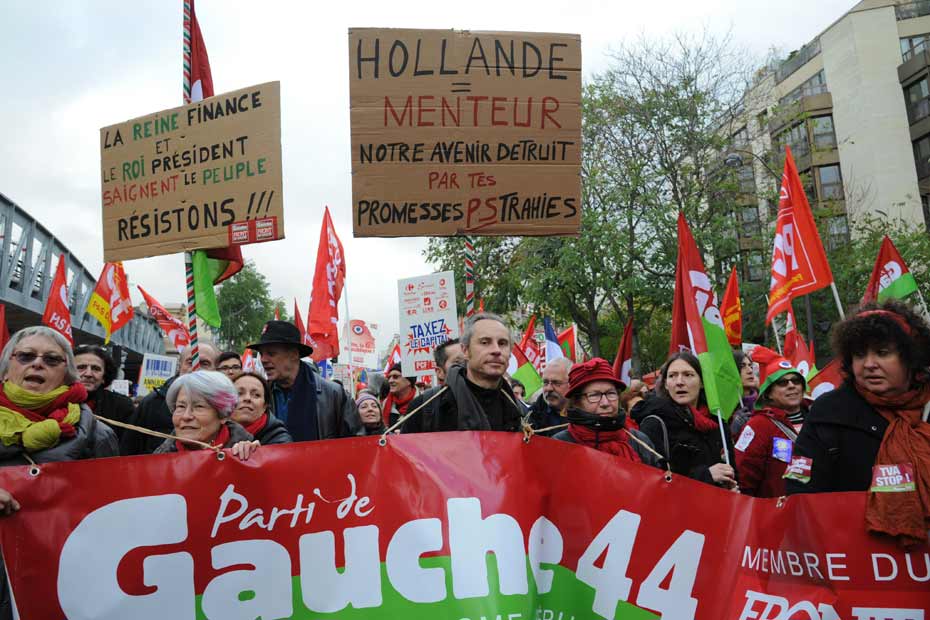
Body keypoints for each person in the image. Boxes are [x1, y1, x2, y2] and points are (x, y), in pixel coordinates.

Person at [787, 301, 930, 548]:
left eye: (883, 353)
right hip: (858, 564)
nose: (869, 364)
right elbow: (800, 494)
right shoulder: (829, 412)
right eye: (860, 354)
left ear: (911, 358)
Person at [0, 328, 120, 618]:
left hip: (58, 582)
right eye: (26, 356)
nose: (37, 364)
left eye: (52, 360)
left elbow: (112, 515)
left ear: (67, 376)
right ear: (6, 370)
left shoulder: (97, 435)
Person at [402, 313, 524, 433]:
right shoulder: (426, 408)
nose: (496, 350)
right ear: (465, 350)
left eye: (502, 343)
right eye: (485, 342)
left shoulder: (521, 412)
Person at [248, 321, 362, 441]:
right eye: (261, 354)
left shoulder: (333, 394)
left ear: (294, 354)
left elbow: (355, 444)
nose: (263, 359)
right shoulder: (261, 395)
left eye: (271, 353)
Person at [638, 352, 738, 489]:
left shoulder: (718, 424)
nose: (679, 382)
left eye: (688, 375)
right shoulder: (655, 423)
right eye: (672, 376)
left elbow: (732, 471)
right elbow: (652, 482)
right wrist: (706, 475)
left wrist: (733, 490)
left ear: (702, 382)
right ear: (666, 384)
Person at [552, 359, 661, 466]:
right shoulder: (559, 445)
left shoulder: (639, 441)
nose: (605, 403)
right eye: (594, 395)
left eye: (611, 393)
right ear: (576, 402)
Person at [119, 341, 218, 455]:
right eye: (190, 362)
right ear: (180, 366)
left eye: (204, 363)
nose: (196, 369)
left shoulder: (225, 406)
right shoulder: (153, 403)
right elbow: (129, 452)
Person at [734, 346, 806, 498]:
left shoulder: (818, 419)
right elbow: (744, 480)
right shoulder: (757, 426)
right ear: (769, 393)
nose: (791, 385)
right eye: (782, 383)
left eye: (796, 380)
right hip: (776, 515)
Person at [153, 370, 259, 460]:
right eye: (181, 406)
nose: (186, 416)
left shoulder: (244, 455)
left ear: (223, 415)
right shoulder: (159, 461)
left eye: (199, 406)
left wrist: (254, 457)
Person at [73, 344, 134, 440]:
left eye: (96, 369)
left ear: (104, 377)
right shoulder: (54, 400)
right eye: (81, 367)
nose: (88, 374)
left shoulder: (121, 406)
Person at [231, 372, 292, 445]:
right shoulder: (215, 432)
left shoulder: (280, 440)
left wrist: (260, 453)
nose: (247, 398)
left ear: (265, 406)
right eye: (239, 393)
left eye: (256, 395)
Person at [527, 357, 572, 436]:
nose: (549, 388)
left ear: (571, 383)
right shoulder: (530, 417)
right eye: (545, 382)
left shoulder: (586, 414)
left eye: (556, 382)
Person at [729, 349, 760, 439]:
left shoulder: (763, 404)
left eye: (750, 366)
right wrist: (731, 432)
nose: (750, 371)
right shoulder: (724, 409)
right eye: (742, 366)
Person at [383, 362, 417, 427]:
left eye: (395, 377)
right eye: (389, 377)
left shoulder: (423, 402)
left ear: (409, 381)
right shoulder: (385, 404)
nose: (390, 381)